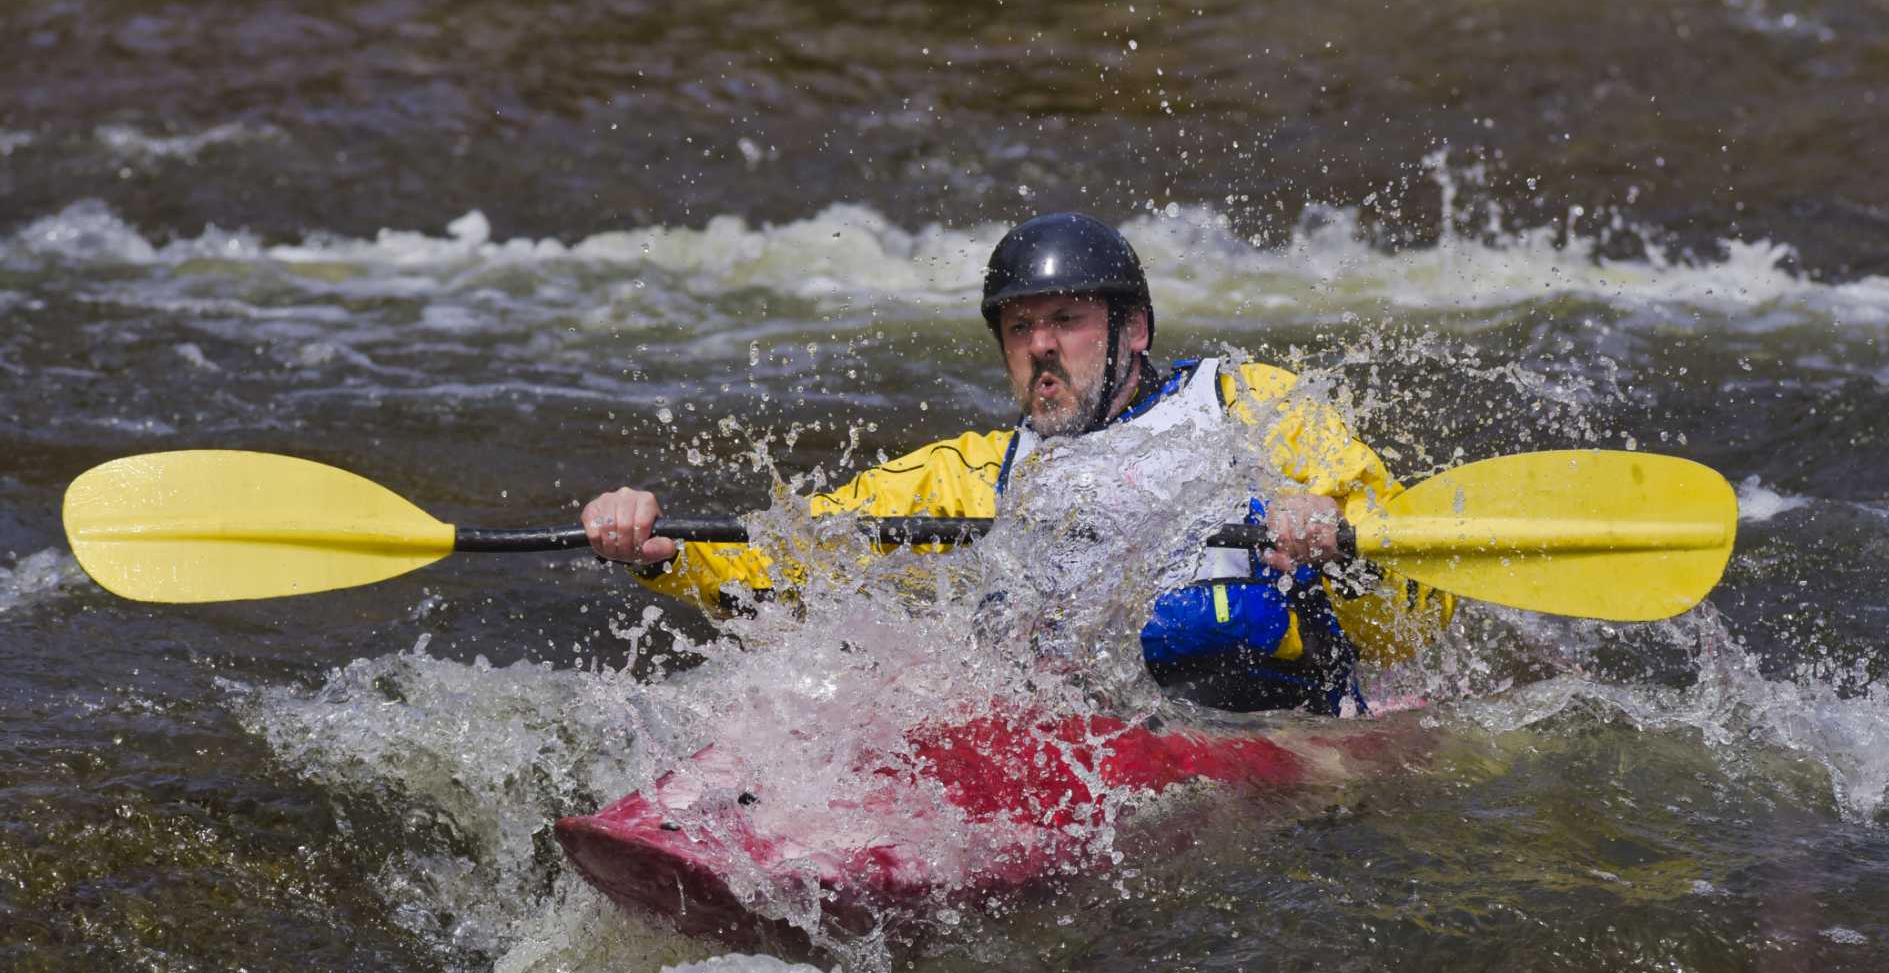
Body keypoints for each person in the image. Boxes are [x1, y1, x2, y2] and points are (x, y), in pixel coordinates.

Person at [585, 213, 1452, 715]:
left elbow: (1404, 565)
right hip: (1096, 735)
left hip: (1278, 719)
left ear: (1133, 330)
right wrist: (665, 553)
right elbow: (797, 551)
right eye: (1019, 328)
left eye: (1067, 320)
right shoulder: (974, 472)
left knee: (1199, 621)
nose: (1041, 347)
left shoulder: (1246, 402)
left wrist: (1324, 517)